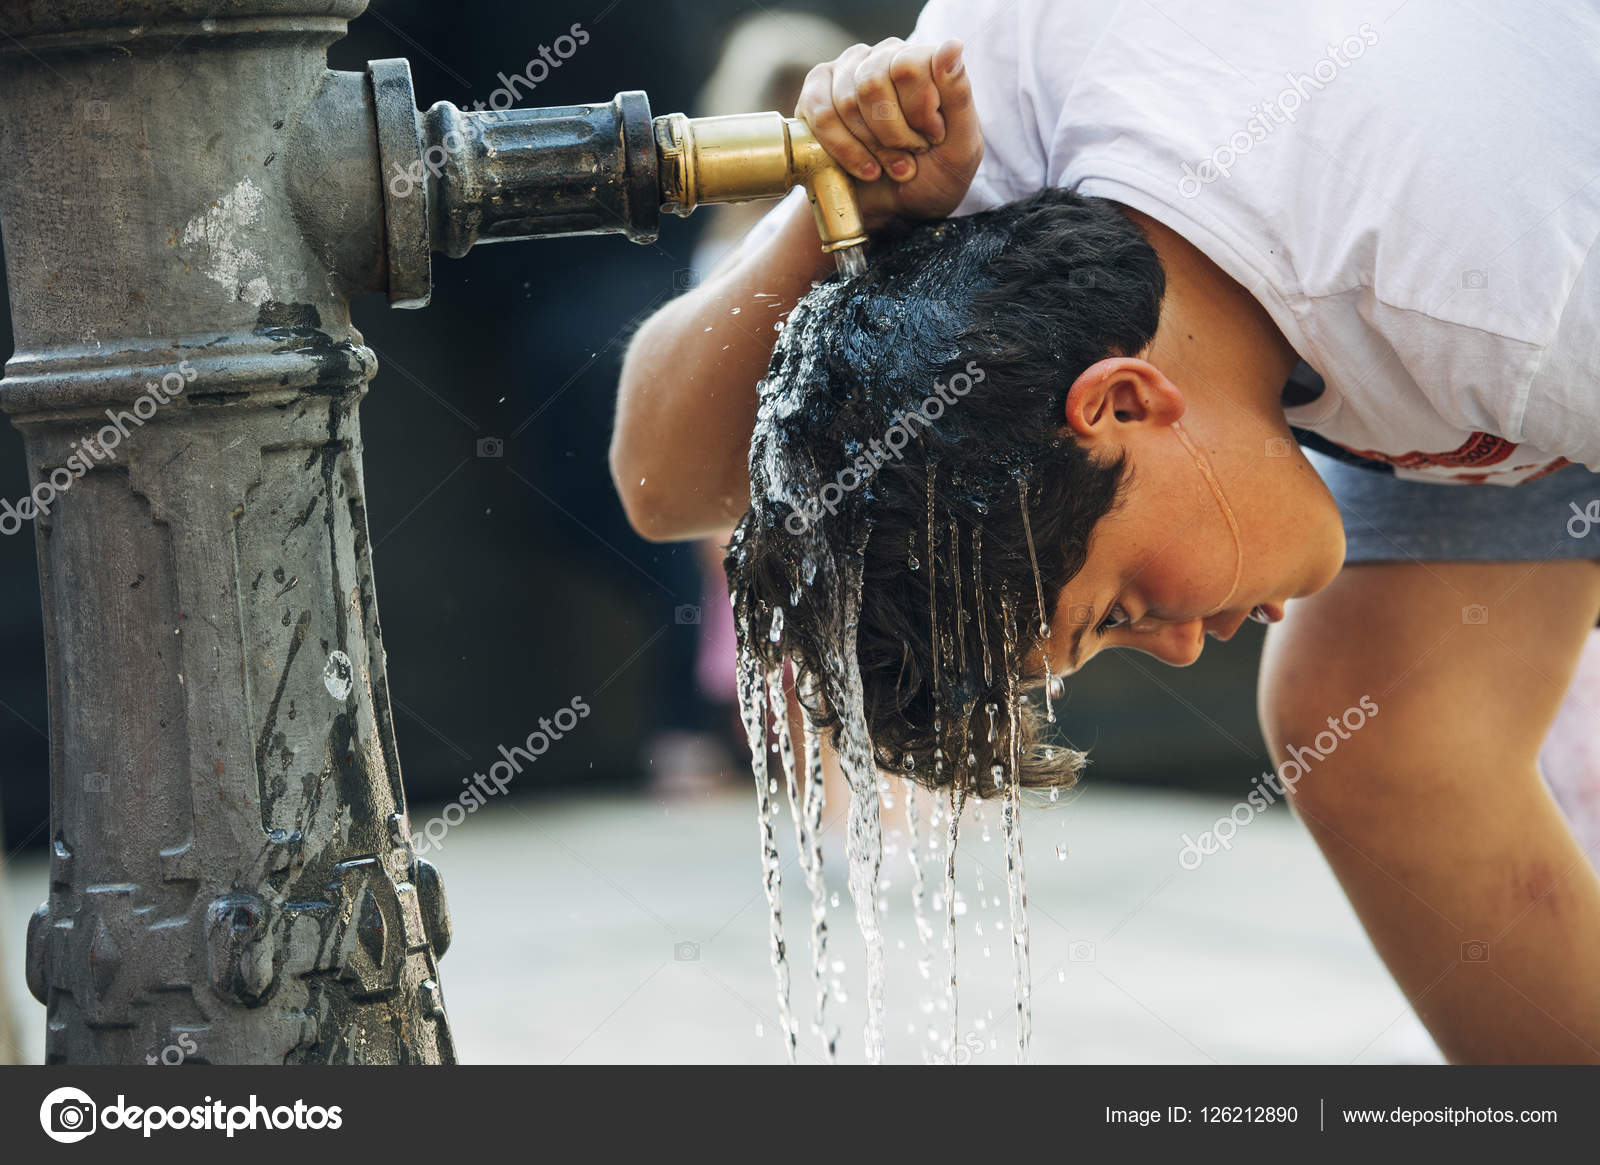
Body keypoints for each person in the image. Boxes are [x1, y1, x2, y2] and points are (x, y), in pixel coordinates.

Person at [610, 0, 1600, 1063]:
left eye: (1118, 610)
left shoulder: (1515, 294)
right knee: (1376, 735)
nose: (1178, 643)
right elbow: (664, 477)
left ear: (1123, 402)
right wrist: (845, 197)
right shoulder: (993, 126)